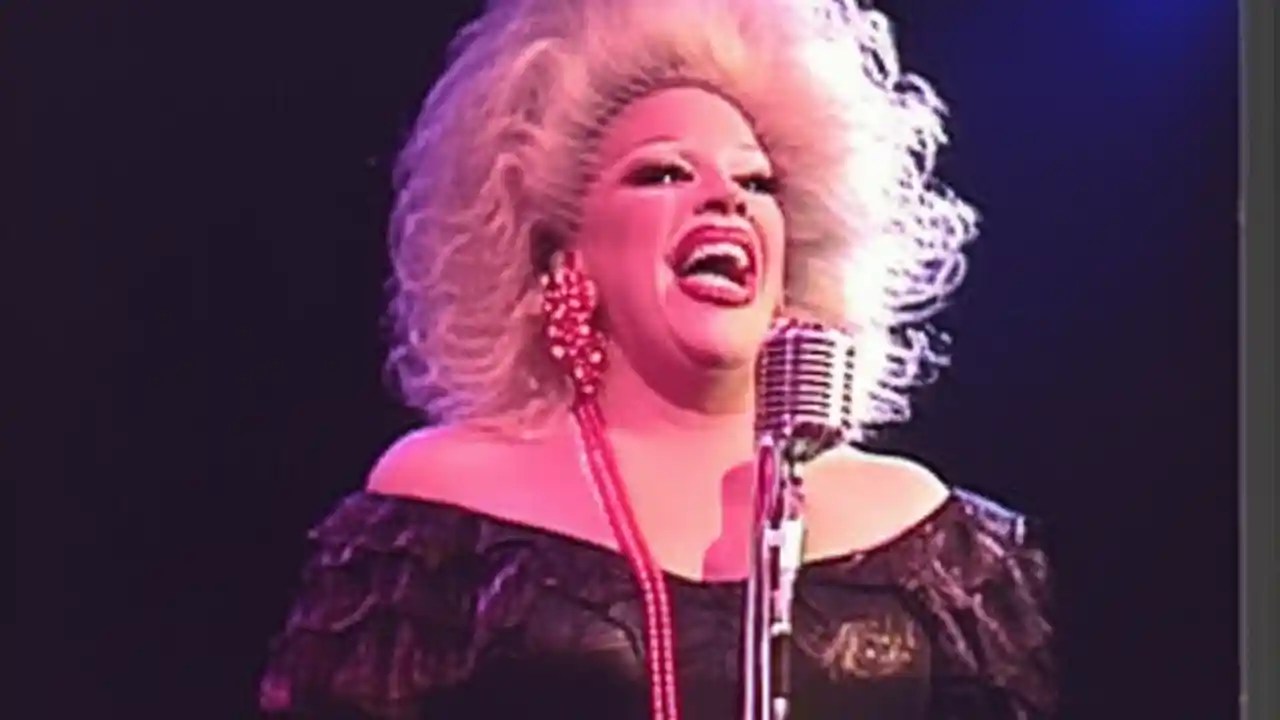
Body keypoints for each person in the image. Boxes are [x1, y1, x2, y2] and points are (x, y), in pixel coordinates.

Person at [258, 0, 1057, 717]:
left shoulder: (929, 544)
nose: (726, 198)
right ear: (556, 257)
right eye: (664, 172)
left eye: (759, 183)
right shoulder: (440, 517)